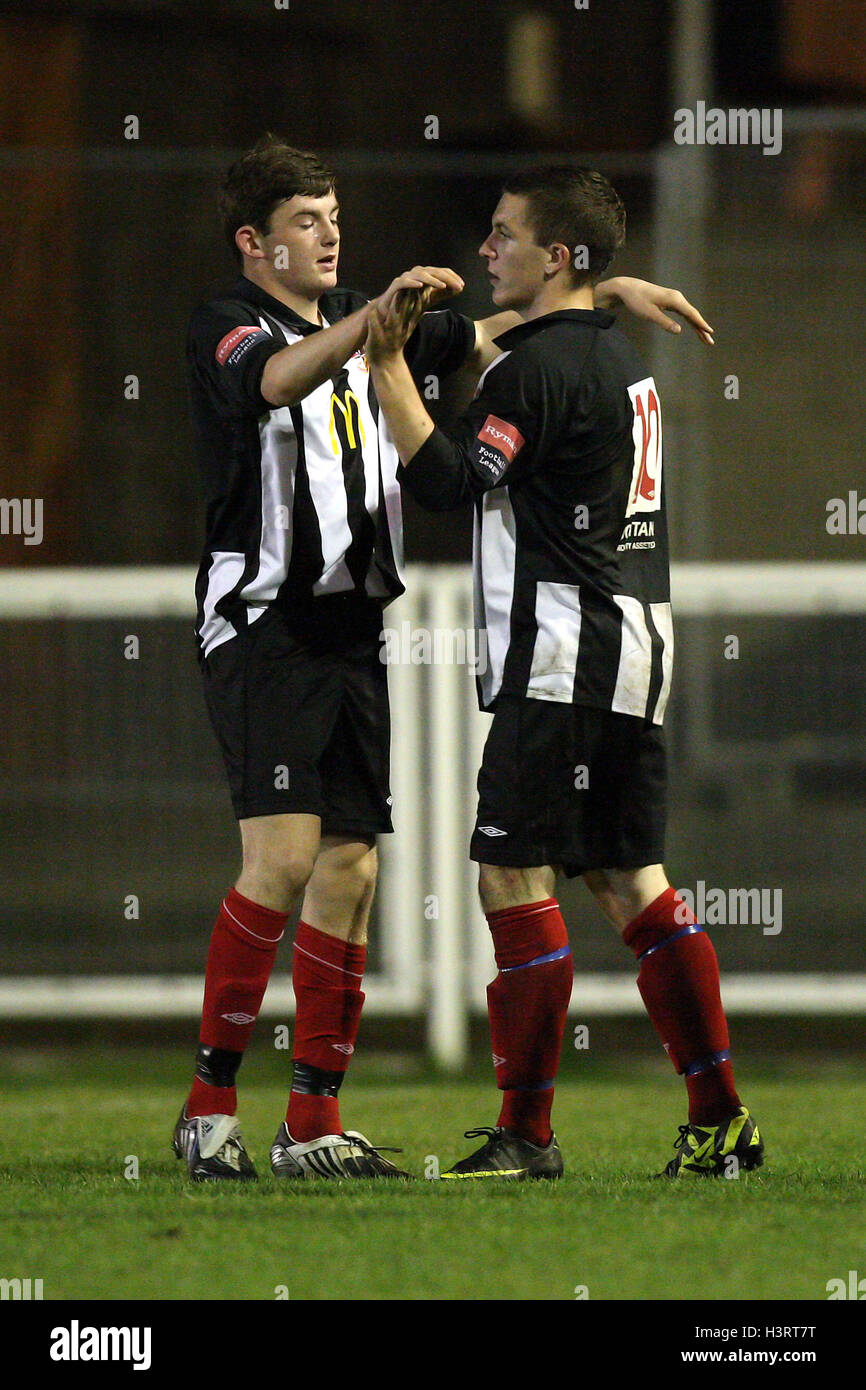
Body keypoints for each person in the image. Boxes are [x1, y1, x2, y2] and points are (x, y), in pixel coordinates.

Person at [179, 134, 717, 1182]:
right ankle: (207, 1113)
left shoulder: (369, 327)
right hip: (266, 628)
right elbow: (278, 380)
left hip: (353, 633)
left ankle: (312, 1123)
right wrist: (374, 332)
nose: (327, 232)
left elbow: (512, 320)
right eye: (303, 220)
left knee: (350, 868)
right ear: (253, 242)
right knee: (284, 859)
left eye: (333, 214)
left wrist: (609, 288)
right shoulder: (228, 328)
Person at [365, 163, 763, 1180]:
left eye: (503, 235)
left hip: (559, 657)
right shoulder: (612, 354)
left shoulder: (533, 373)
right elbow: (493, 338)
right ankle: (718, 1121)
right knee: (630, 880)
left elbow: (452, 481)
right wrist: (601, 295)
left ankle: (525, 1135)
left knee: (510, 869)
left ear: (556, 258)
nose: (486, 249)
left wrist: (386, 379)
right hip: (634, 651)